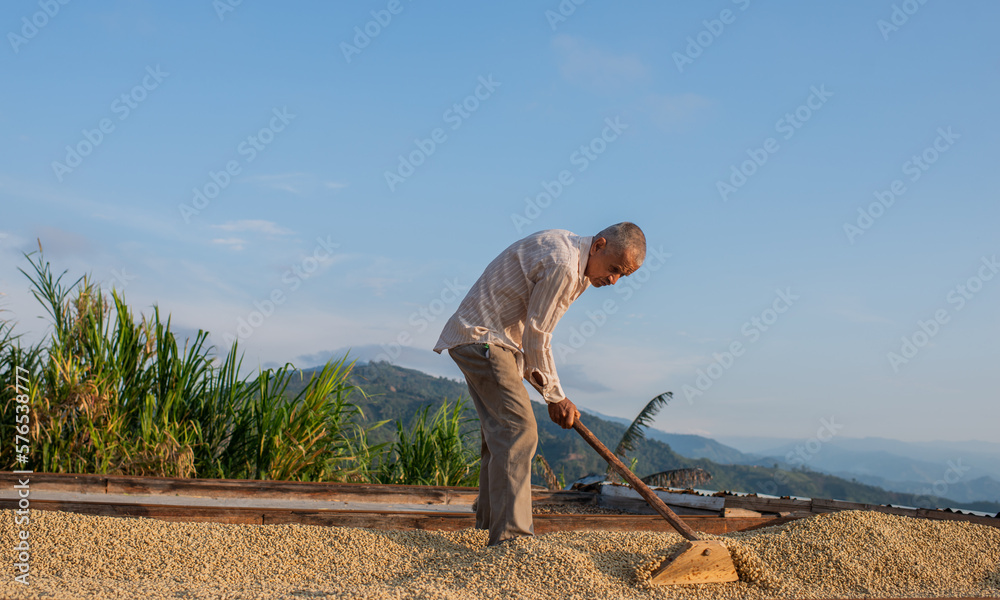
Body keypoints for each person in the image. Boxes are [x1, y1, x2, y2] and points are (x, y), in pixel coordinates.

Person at [433, 222, 646, 546]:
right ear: (600, 245)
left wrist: (551, 393)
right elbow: (537, 338)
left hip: (481, 338)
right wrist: (556, 397)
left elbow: (534, 340)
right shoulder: (564, 265)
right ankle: (512, 539)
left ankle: (488, 527)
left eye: (622, 276)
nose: (614, 280)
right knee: (519, 430)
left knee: (499, 435)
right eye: (615, 269)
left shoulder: (572, 257)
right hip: (485, 339)